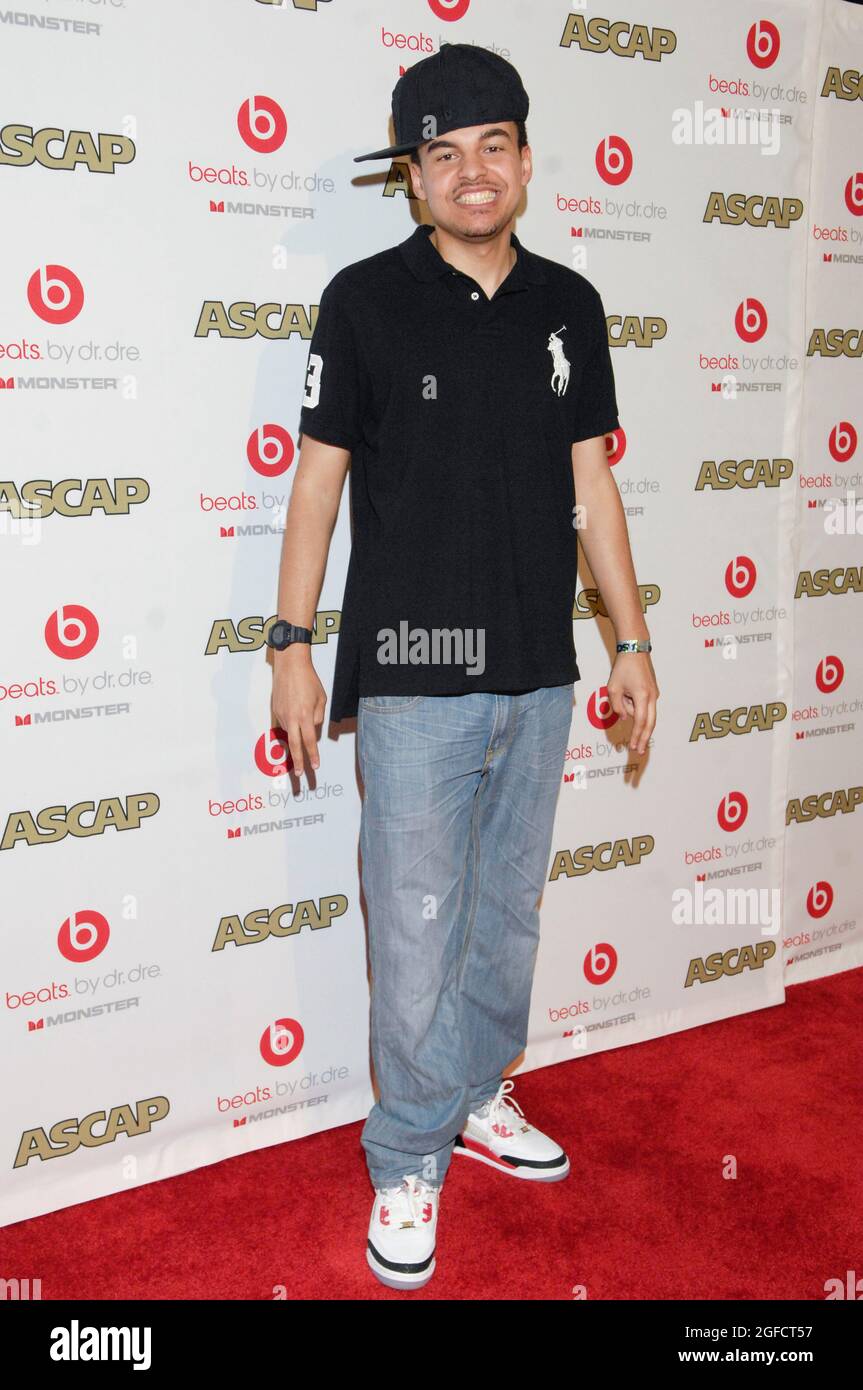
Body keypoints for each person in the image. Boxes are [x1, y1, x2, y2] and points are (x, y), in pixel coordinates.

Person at [270, 43, 659, 1292]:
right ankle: (406, 1153)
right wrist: (290, 644)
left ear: (525, 159)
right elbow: (316, 486)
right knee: (415, 925)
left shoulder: (569, 305)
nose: (471, 171)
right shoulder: (361, 300)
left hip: (539, 669)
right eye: (443, 153)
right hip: (413, 672)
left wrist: (630, 640)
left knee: (504, 916)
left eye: (493, 145)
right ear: (413, 177)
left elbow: (591, 487)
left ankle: (478, 1091)